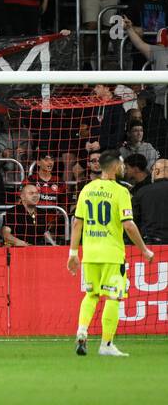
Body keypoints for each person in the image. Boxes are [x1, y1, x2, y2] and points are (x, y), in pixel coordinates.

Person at [69, 150, 155, 357]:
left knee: (91, 295)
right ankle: (106, 344)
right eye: (122, 164)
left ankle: (82, 330)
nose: (124, 167)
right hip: (112, 254)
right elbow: (129, 225)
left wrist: (73, 252)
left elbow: (77, 223)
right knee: (114, 297)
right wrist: (144, 249)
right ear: (116, 166)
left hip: (90, 254)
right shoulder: (121, 192)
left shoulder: (86, 189)